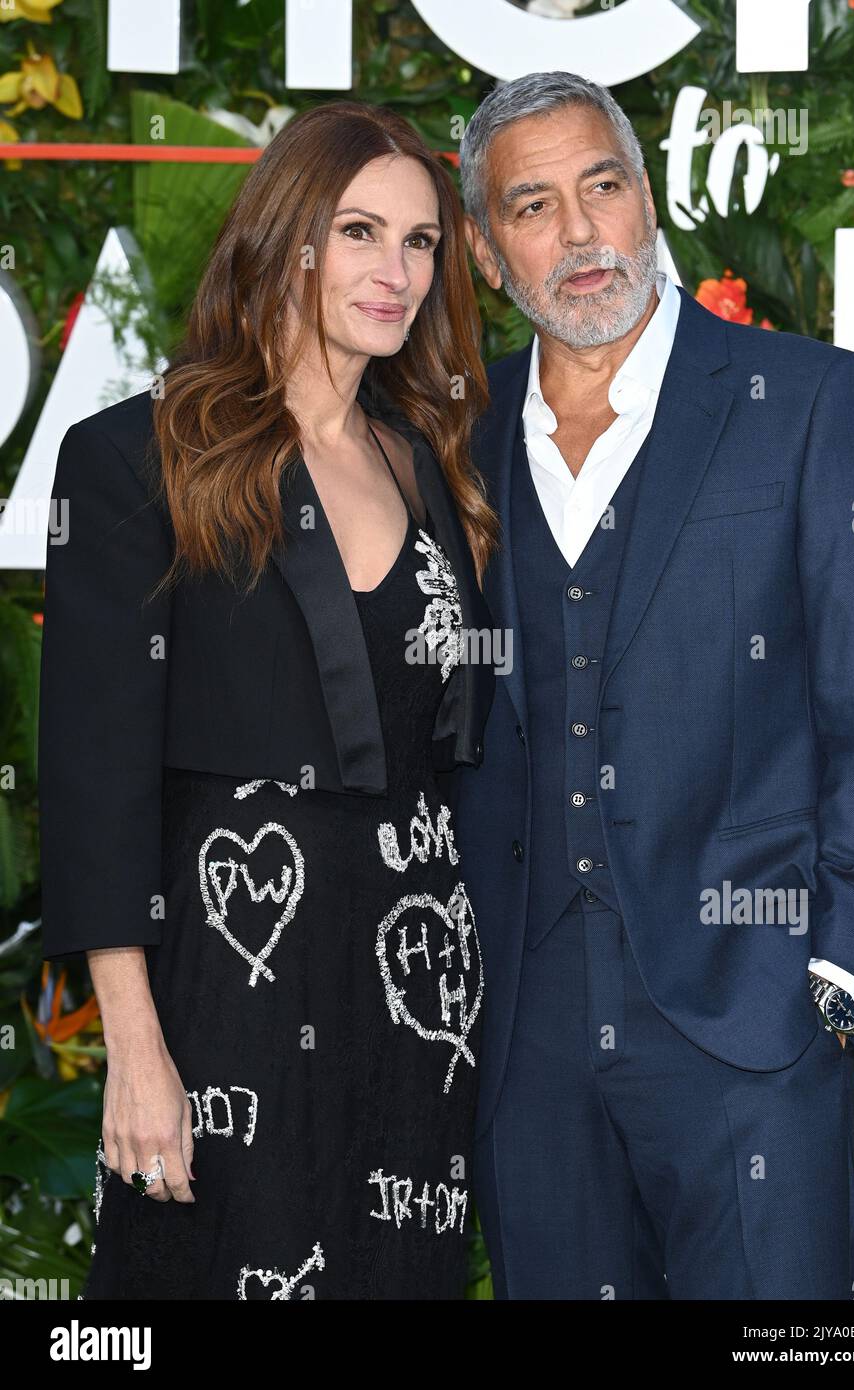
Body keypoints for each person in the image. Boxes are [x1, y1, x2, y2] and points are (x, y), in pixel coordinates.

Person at [451, 70, 854, 1300]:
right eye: (533, 206)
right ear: (489, 251)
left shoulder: (812, 403)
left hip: (754, 1019)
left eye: (601, 186)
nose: (580, 234)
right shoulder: (452, 435)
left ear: (646, 200)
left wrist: (841, 971)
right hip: (526, 1033)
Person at [38, 100, 498, 1300]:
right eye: (359, 232)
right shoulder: (138, 457)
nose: (394, 272)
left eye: (419, 242)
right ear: (290, 238)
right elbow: (96, 778)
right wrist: (132, 1045)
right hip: (226, 982)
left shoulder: (431, 461)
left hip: (411, 974)